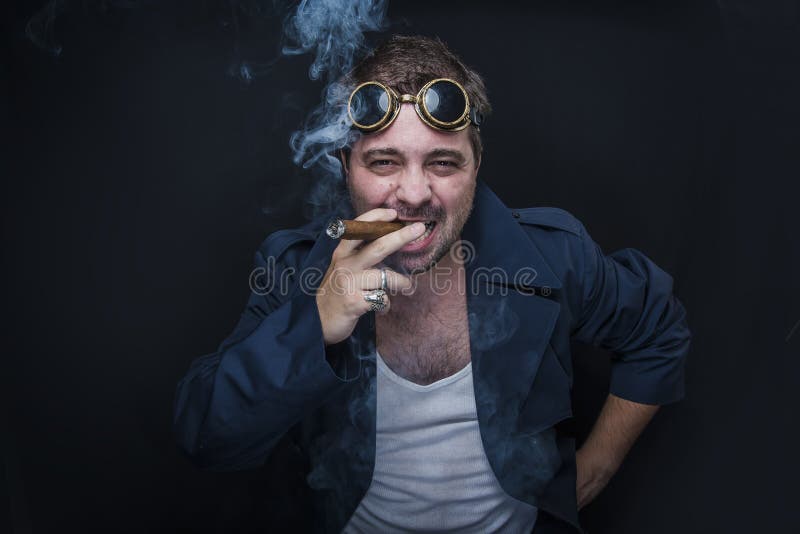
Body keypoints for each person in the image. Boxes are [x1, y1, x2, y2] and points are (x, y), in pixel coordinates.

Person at [173, 35, 691, 533]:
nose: (415, 193)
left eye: (442, 162)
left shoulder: (553, 256)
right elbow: (207, 438)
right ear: (346, 167)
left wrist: (596, 467)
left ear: (476, 165)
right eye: (384, 161)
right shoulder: (293, 269)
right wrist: (315, 323)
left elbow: (657, 332)